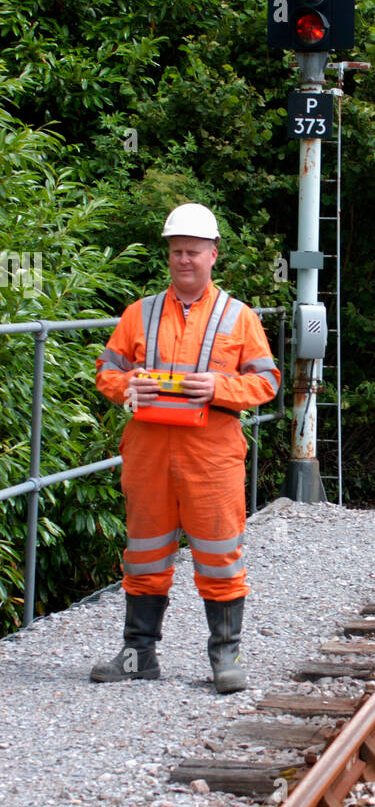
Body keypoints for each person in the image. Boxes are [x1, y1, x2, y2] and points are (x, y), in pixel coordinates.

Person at [90, 204, 280, 693]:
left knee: (219, 553)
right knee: (145, 556)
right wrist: (131, 384)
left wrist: (218, 388)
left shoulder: (239, 318)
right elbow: (106, 374)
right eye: (176, 252)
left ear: (213, 255)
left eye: (193, 252)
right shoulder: (139, 313)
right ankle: (138, 655)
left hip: (210, 453)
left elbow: (266, 382)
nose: (184, 260)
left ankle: (224, 659)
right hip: (149, 453)